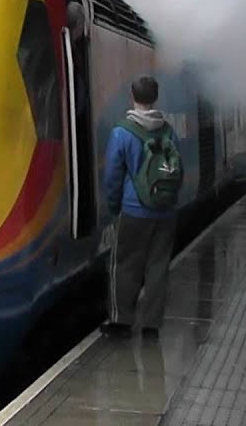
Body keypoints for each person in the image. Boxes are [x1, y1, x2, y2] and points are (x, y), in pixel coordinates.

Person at [100, 75, 182, 339]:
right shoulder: (168, 130)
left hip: (133, 211)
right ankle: (151, 327)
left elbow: (113, 175)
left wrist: (114, 207)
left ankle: (122, 322)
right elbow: (176, 170)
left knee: (124, 265)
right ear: (155, 98)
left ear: (132, 96)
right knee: (158, 267)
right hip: (165, 211)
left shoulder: (122, 131)